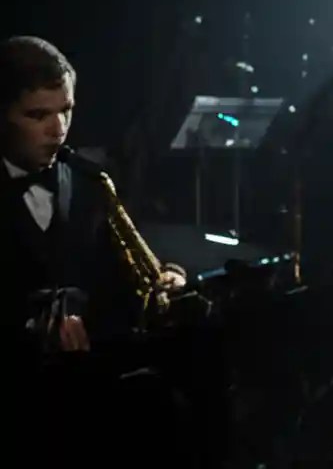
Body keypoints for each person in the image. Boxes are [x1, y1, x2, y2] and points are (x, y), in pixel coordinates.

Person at [1, 36, 204, 463]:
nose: (58, 129)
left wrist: (165, 280)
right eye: (37, 115)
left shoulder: (90, 182)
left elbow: (126, 274)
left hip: (91, 389)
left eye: (66, 110)